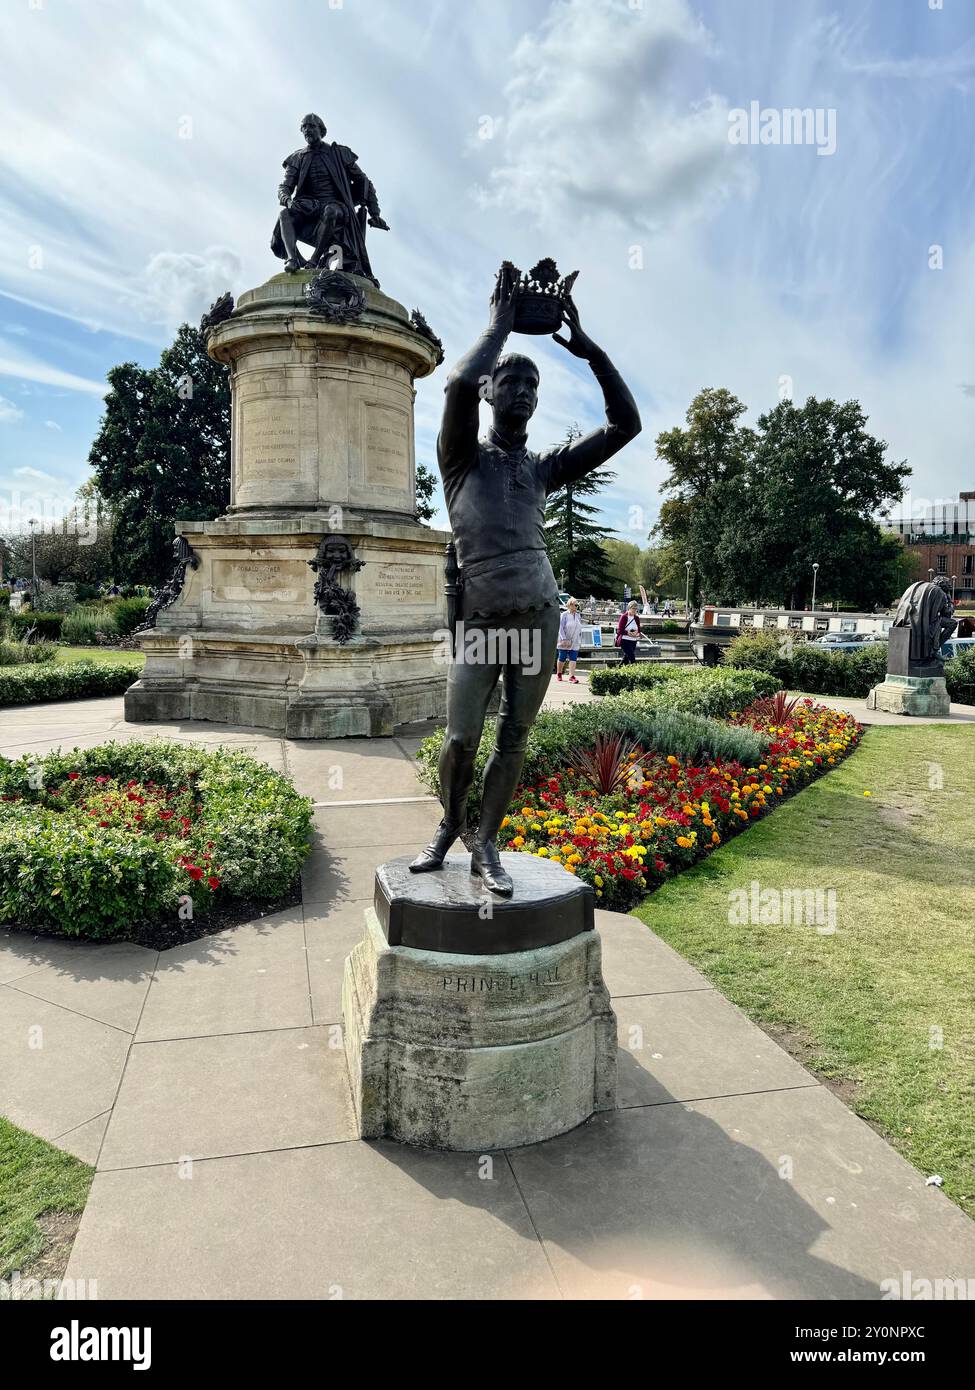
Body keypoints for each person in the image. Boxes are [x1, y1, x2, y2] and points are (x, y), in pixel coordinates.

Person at [409, 264, 641, 895]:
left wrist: (590, 352)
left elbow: (626, 426)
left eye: (530, 384)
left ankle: (486, 842)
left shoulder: (541, 470)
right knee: (461, 737)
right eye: (509, 380)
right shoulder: (461, 460)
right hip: (482, 619)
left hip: (537, 611)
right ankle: (449, 826)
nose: (520, 390)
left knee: (514, 736)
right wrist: (500, 326)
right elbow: (456, 381)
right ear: (491, 393)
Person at [270, 113, 389, 278]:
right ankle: (292, 260)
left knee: (330, 211)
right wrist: (287, 200)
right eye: (304, 127)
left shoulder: (339, 153)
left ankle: (314, 259)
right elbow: (284, 186)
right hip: (308, 206)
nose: (307, 130)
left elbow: (364, 182)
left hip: (335, 205)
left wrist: (375, 213)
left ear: (321, 129)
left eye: (311, 126)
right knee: (284, 214)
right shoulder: (297, 158)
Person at [556, 597, 583, 683]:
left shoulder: (578, 615)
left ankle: (571, 676)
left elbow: (579, 628)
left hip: (575, 641)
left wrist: (579, 639)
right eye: (575, 605)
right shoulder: (564, 615)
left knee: (573, 658)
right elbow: (560, 628)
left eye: (577, 605)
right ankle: (559, 673)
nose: (577, 606)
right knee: (562, 658)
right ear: (570, 605)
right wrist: (563, 639)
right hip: (565, 640)